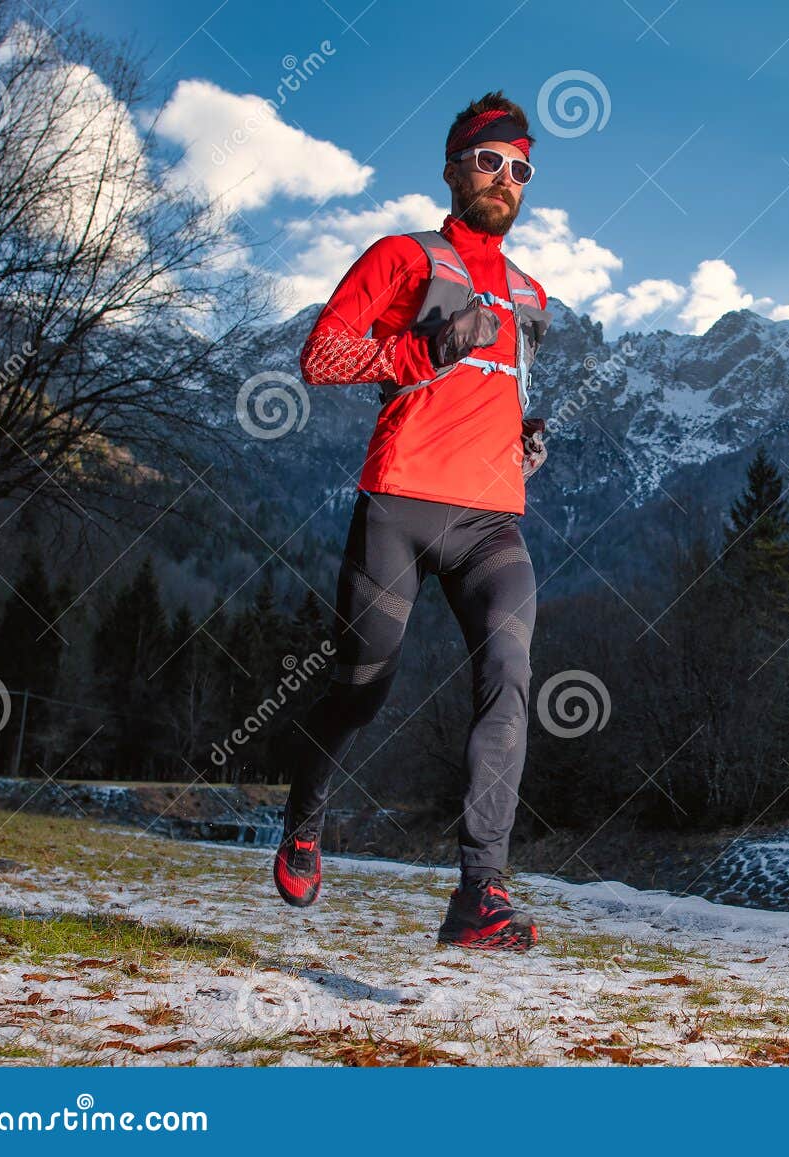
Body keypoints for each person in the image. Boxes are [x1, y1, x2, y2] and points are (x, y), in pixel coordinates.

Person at [272, 91, 551, 952]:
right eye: (489, 161)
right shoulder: (404, 256)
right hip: (399, 502)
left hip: (493, 522)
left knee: (509, 675)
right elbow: (322, 356)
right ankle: (305, 817)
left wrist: (520, 438)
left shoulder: (534, 294)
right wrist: (422, 348)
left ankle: (480, 890)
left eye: (521, 169)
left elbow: (496, 389)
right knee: (363, 688)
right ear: (454, 166)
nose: (505, 179)